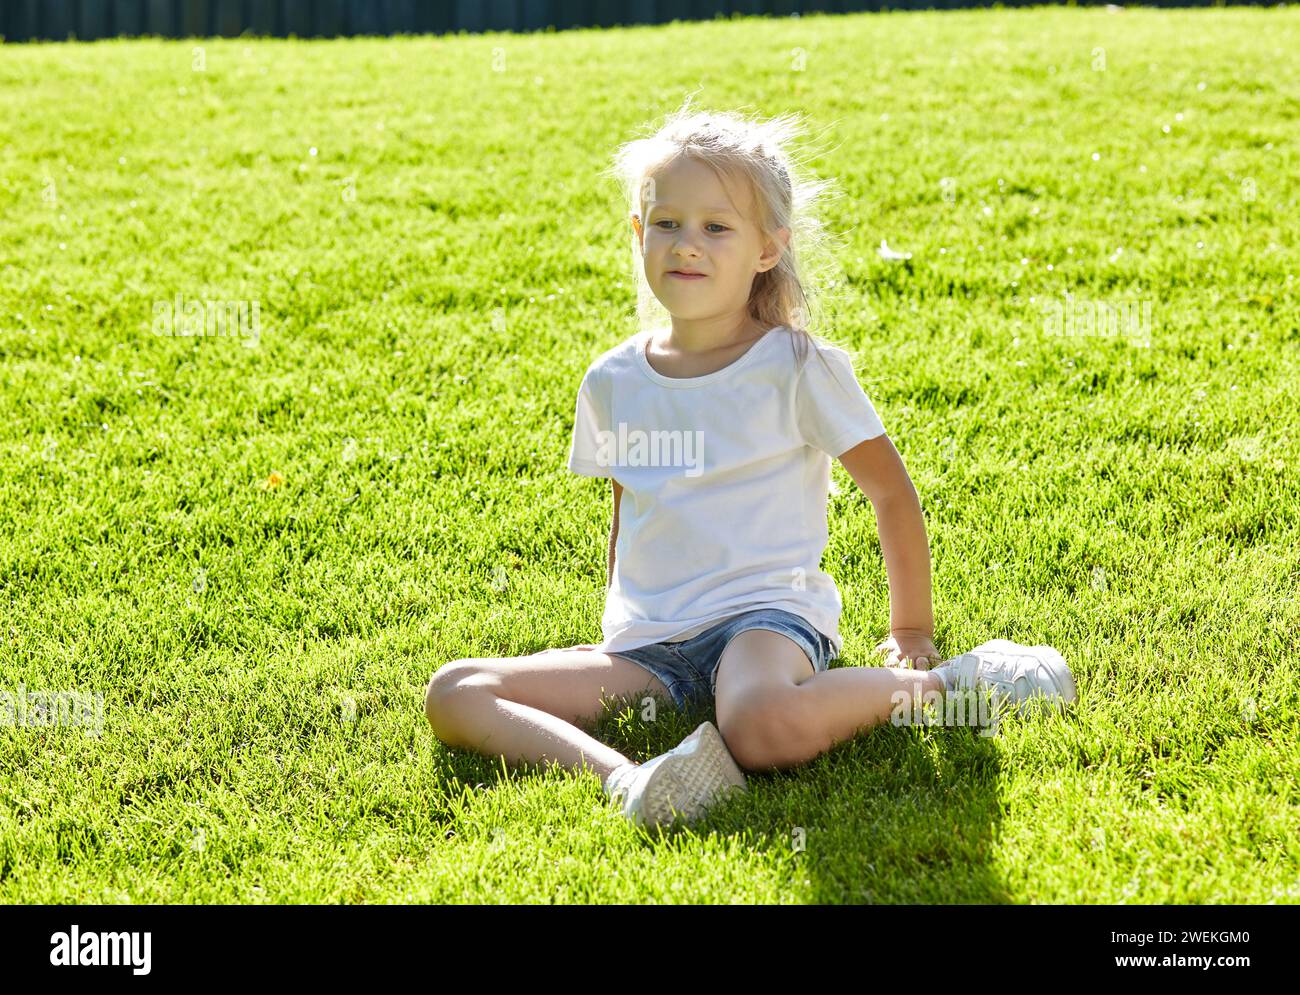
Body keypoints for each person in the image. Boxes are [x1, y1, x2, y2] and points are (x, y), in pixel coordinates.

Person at [424, 102, 1076, 830]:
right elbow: (628, 509)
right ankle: (637, 781)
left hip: (763, 623)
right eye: (666, 223)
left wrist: (915, 631)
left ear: (767, 248)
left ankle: (953, 684)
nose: (686, 245)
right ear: (639, 234)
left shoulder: (795, 367)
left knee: (761, 727)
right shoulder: (612, 381)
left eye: (716, 227)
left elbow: (890, 493)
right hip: (651, 652)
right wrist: (616, 635)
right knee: (456, 691)